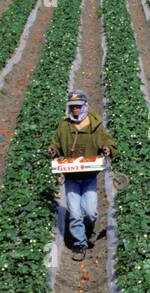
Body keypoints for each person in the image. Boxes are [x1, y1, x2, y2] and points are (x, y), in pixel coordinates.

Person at [48, 90, 115, 262]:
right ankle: (79, 244)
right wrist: (53, 150)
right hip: (71, 177)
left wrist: (107, 148)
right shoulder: (64, 127)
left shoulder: (95, 125)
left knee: (91, 213)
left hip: (89, 177)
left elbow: (107, 141)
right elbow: (56, 143)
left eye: (78, 107)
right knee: (75, 213)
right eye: (72, 107)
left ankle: (87, 229)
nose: (75, 110)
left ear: (84, 106)